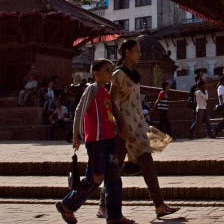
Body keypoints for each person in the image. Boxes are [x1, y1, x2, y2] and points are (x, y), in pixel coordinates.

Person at [56, 59, 134, 224]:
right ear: (96, 73)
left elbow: (108, 116)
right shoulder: (92, 88)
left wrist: (116, 129)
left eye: (111, 70)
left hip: (109, 140)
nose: (110, 73)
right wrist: (76, 134)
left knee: (113, 178)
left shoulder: (105, 92)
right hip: (97, 141)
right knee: (95, 178)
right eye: (106, 70)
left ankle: (114, 216)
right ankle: (67, 204)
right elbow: (79, 110)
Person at [111, 39, 179, 219]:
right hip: (126, 127)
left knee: (121, 167)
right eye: (137, 51)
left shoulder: (132, 74)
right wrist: (121, 126)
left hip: (138, 125)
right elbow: (113, 101)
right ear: (127, 52)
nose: (139, 54)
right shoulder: (118, 74)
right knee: (122, 167)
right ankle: (159, 205)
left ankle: (159, 205)